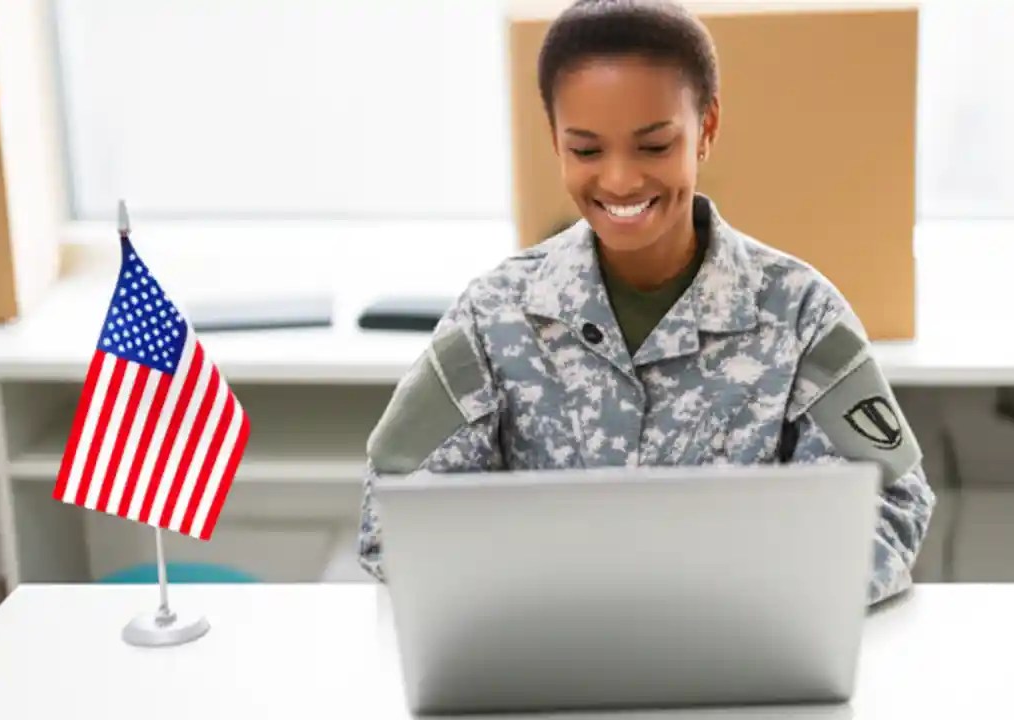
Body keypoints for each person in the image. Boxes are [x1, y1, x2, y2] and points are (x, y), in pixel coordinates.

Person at [359, 0, 934, 606]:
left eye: (654, 146)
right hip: (545, 652)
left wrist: (745, 598)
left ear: (706, 128)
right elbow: (393, 511)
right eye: (586, 151)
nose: (620, 180)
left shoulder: (799, 315)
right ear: (554, 139)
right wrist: (542, 595)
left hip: (736, 652)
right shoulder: (493, 316)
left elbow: (890, 503)